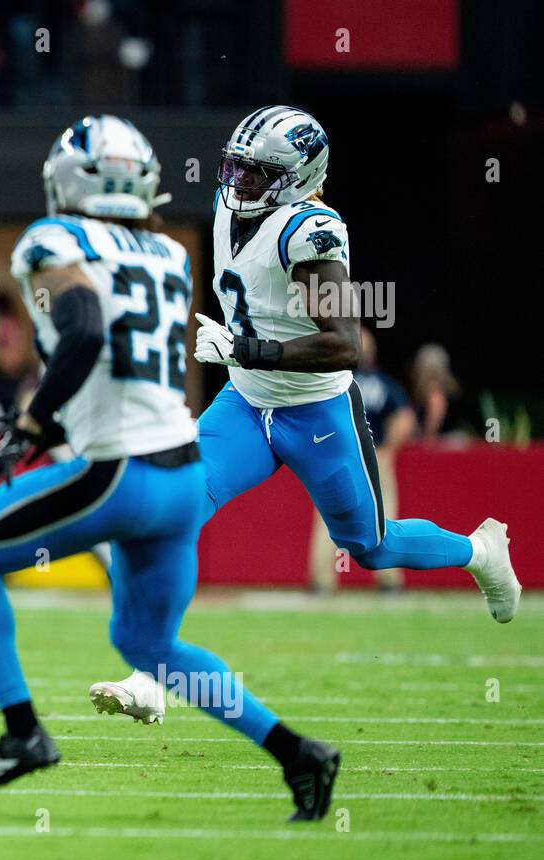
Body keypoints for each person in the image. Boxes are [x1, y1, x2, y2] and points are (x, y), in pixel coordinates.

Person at [0, 116, 337, 820]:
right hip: (182, 473)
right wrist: (51, 419)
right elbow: (117, 357)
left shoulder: (53, 240)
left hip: (120, 474)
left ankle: (23, 732)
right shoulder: (167, 251)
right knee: (147, 643)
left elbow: (87, 330)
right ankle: (298, 754)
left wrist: (31, 425)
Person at [184, 106, 519, 625]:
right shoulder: (231, 208)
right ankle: (151, 670)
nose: (237, 182)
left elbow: (344, 346)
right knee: (177, 507)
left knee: (370, 546)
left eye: (254, 173)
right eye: (233, 167)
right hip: (246, 403)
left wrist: (247, 349)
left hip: (316, 410)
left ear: (297, 179)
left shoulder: (309, 231)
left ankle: (480, 553)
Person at [309, 328, 415, 592]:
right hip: (374, 455)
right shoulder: (382, 384)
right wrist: (389, 447)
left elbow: (315, 417)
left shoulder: (331, 383)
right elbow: (405, 419)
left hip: (339, 456)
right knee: (384, 515)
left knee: (329, 517)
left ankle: (322, 581)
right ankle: (389, 580)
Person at [411, 342, 461, 442]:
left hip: (443, 445)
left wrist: (424, 441)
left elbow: (430, 434)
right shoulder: (431, 394)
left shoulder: (436, 397)